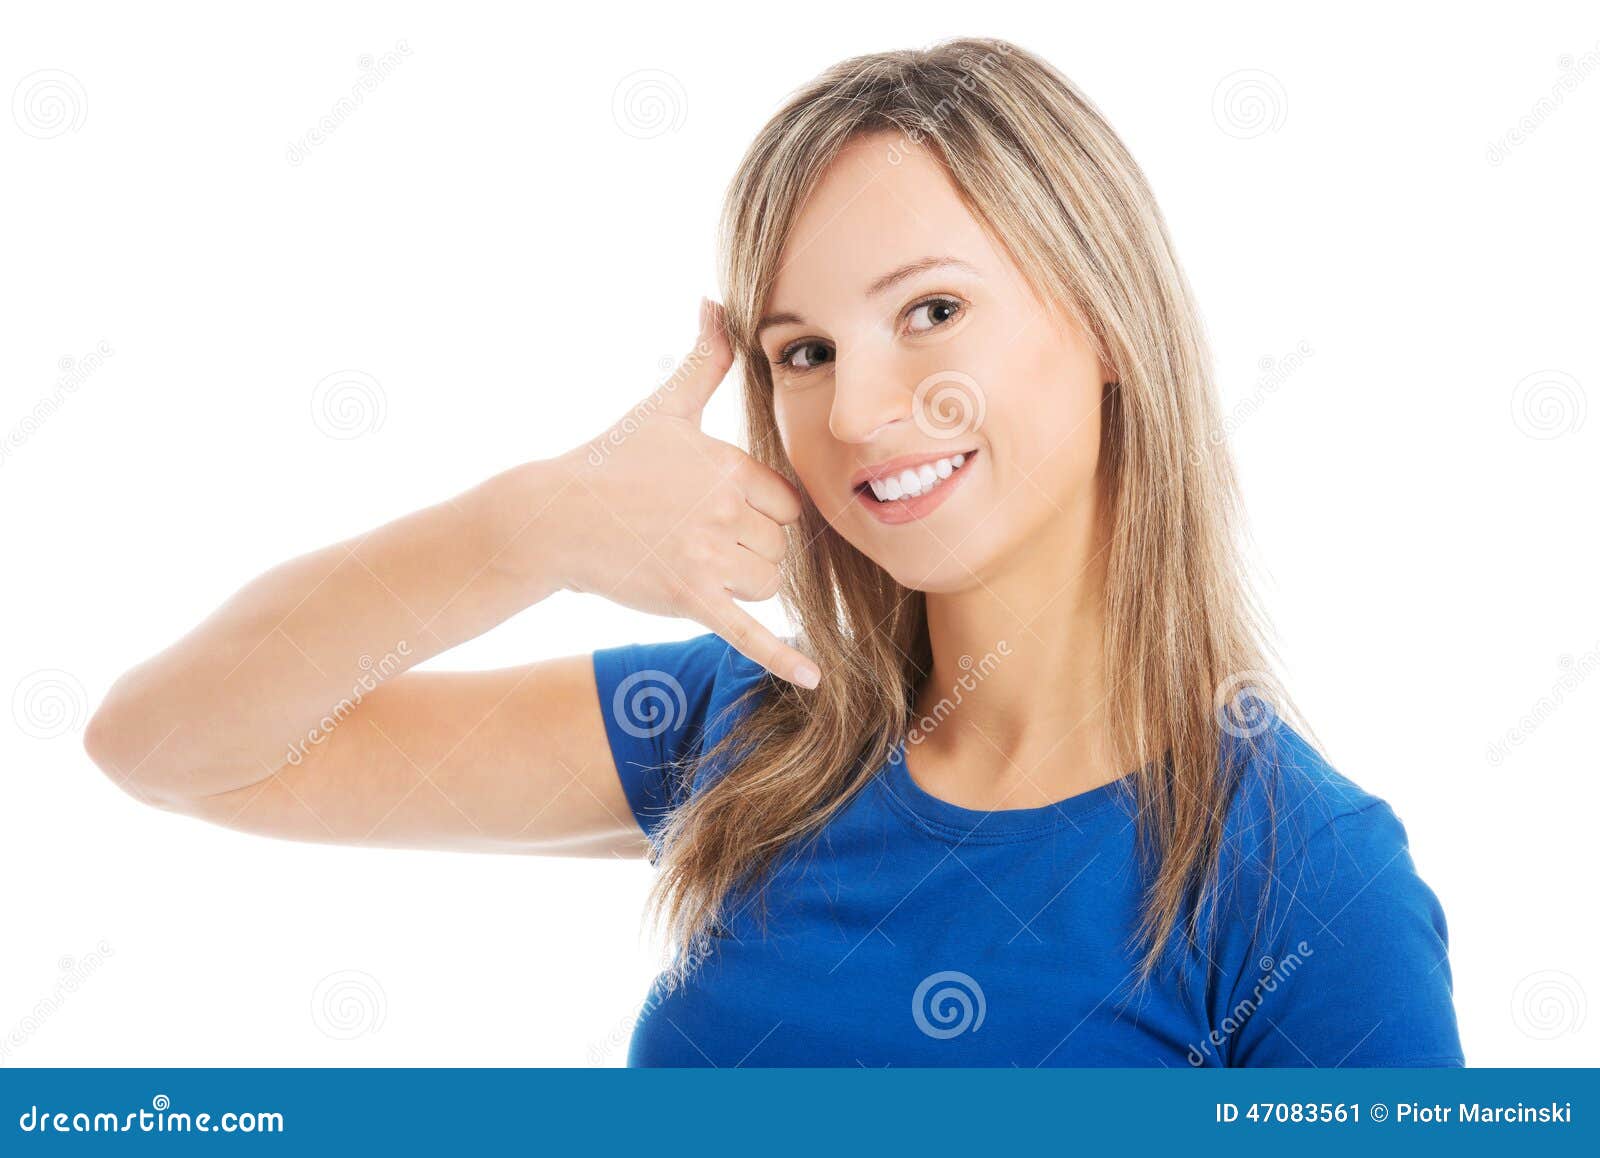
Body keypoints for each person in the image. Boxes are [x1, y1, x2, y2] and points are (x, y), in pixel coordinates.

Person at [84, 37, 1463, 1067]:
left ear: (1105, 324)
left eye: (930, 310)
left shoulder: (1303, 880)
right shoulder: (748, 729)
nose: (856, 409)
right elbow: (169, 744)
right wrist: (532, 525)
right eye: (804, 350)